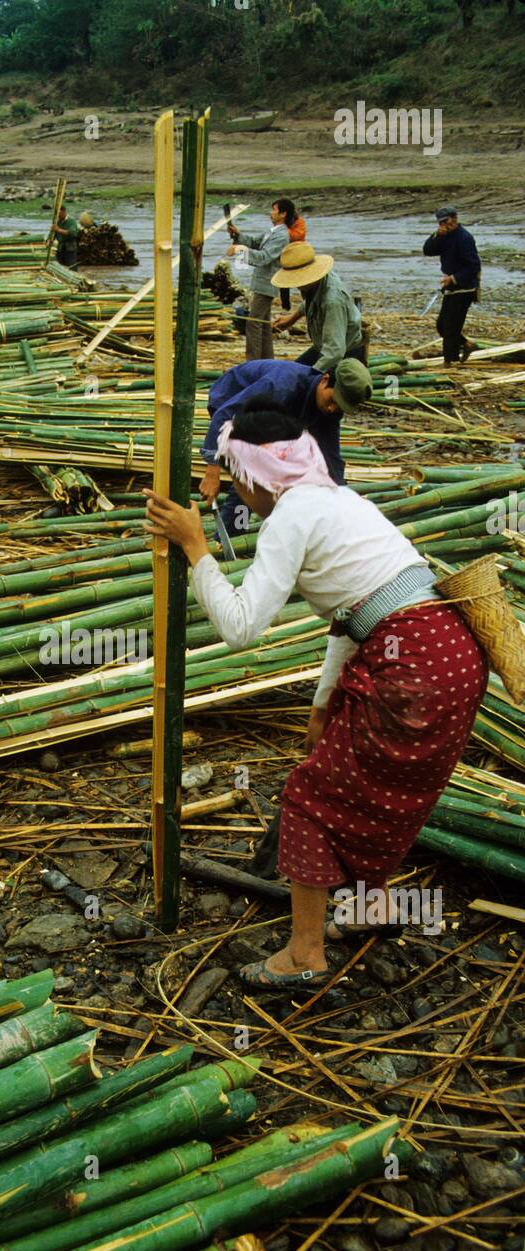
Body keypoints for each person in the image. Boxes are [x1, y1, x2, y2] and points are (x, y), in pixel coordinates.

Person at [145, 403, 487, 990]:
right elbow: (352, 612)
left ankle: (305, 955)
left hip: (409, 667)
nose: (236, 492)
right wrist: (323, 704)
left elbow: (240, 626)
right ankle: (368, 911)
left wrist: (196, 548)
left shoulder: (289, 518)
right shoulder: (339, 500)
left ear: (252, 475)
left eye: (233, 478)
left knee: (310, 798)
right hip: (451, 654)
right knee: (381, 789)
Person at [199, 358, 373, 532]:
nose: (332, 409)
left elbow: (331, 458)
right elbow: (225, 415)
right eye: (332, 400)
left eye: (340, 407)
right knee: (252, 475)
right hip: (230, 399)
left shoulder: (330, 410)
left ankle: (236, 529)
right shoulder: (281, 386)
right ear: (325, 379)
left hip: (274, 416)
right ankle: (232, 532)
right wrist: (212, 470)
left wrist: (342, 499)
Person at [271, 243, 366, 373]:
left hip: (345, 354)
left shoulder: (332, 302)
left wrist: (309, 376)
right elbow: (310, 303)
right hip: (323, 347)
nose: (296, 286)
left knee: (300, 382)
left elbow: (334, 352)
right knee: (291, 372)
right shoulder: (318, 282)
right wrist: (291, 319)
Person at [226, 202, 290, 360]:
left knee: (253, 322)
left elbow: (265, 257)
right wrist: (238, 235)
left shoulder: (282, 236)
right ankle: (267, 360)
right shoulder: (272, 232)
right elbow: (254, 242)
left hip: (268, 283)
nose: (271, 213)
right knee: (263, 323)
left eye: (274, 210)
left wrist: (240, 250)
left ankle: (253, 361)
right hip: (262, 282)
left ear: (283, 214)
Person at [422, 205, 481, 365]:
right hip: (451, 288)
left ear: (454, 219)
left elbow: (474, 266)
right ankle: (467, 345)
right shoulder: (444, 236)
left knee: (450, 329)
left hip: (465, 287)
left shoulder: (464, 238)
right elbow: (427, 251)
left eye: (446, 221)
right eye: (440, 222)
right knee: (442, 325)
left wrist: (454, 278)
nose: (444, 225)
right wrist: (437, 236)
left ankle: (450, 362)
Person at [274, 197, 306, 311]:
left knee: (303, 282)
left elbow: (297, 236)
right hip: (285, 255)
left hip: (298, 256)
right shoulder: (281, 224)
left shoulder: (300, 222)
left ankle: (306, 303)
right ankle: (285, 306)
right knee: (284, 283)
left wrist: (282, 229)